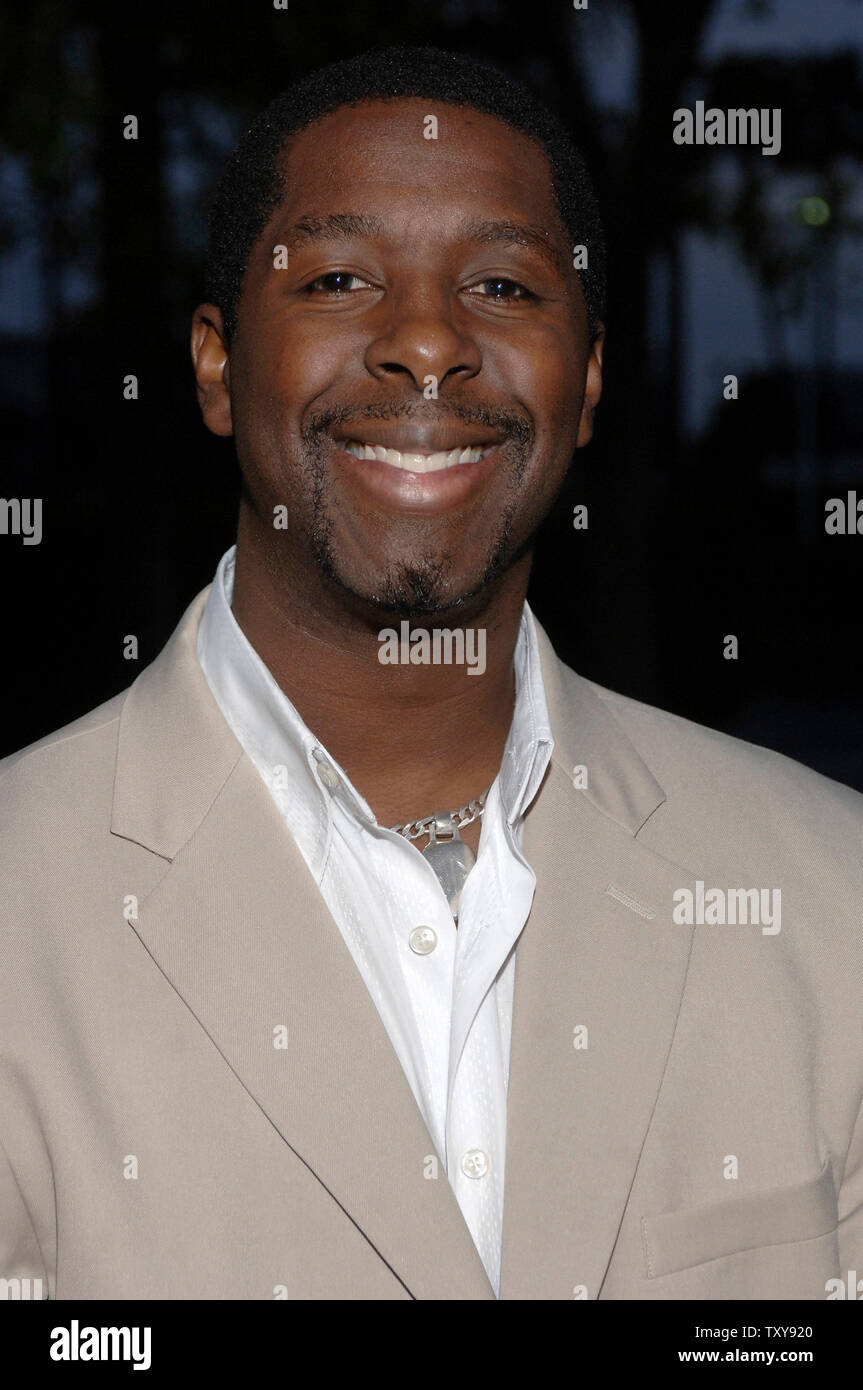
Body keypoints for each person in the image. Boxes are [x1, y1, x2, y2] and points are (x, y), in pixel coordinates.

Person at [1, 45, 860, 1302]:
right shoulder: (22, 904)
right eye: (339, 277)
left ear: (588, 384)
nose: (423, 342)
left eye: (504, 285)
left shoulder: (824, 889)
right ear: (216, 366)